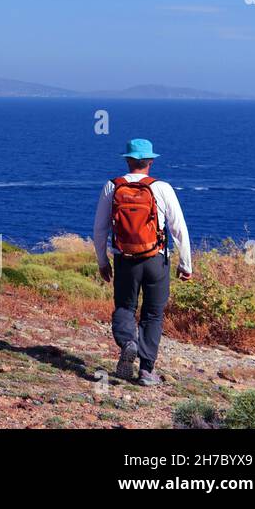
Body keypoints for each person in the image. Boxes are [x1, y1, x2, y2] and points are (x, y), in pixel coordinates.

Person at [92, 138, 193, 386]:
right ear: (149, 162)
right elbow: (179, 229)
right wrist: (186, 265)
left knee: (125, 307)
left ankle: (128, 341)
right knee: (153, 315)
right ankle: (147, 372)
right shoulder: (161, 187)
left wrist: (102, 261)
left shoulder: (112, 186)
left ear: (127, 160)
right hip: (156, 260)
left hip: (125, 259)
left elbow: (100, 229)